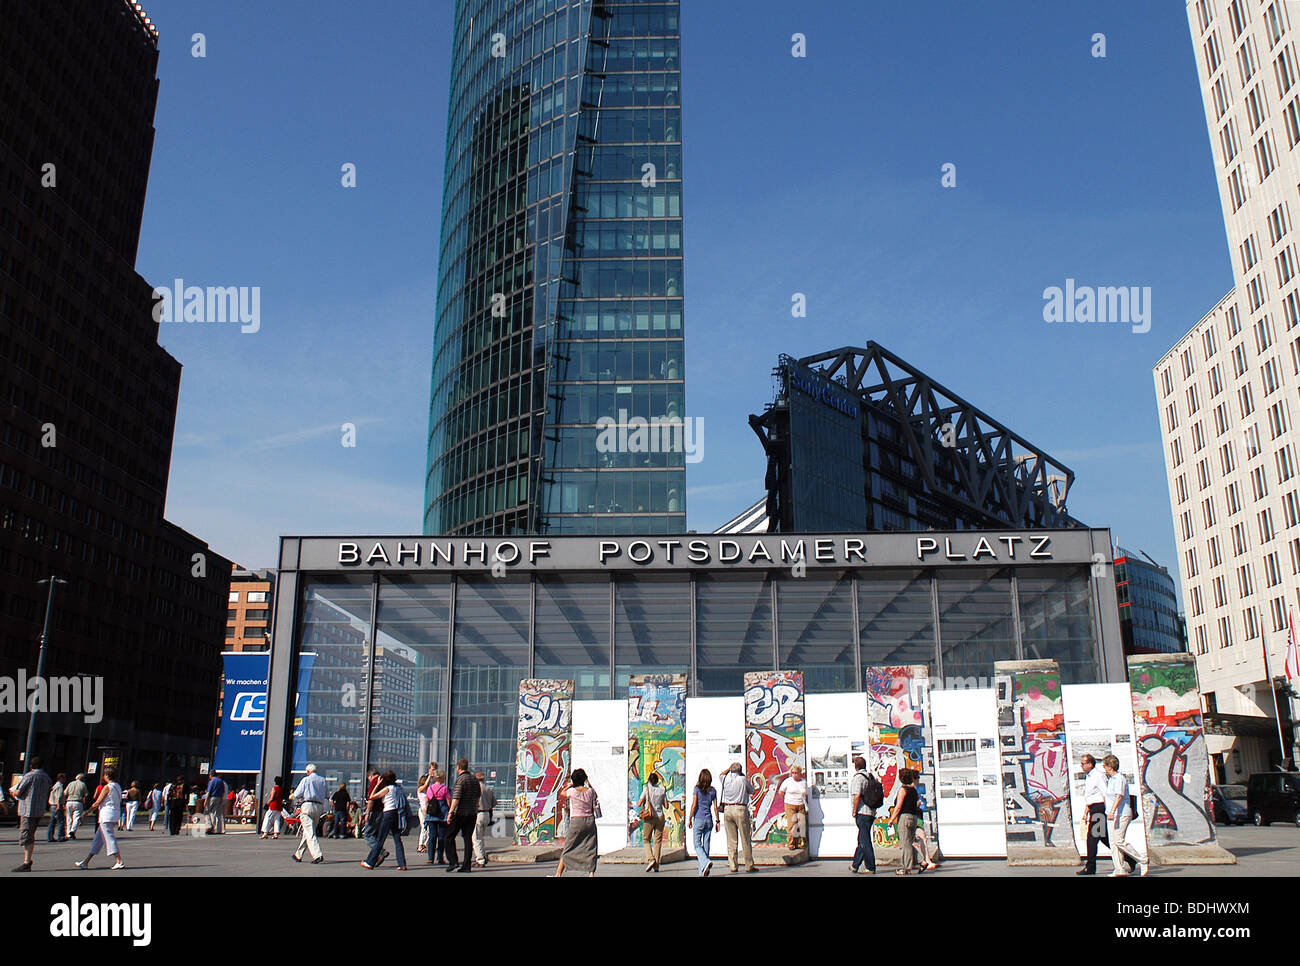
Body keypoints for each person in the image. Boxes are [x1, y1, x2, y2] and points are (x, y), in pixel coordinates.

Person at [1104, 755, 1147, 877]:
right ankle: (1119, 868)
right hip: (1111, 814)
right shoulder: (1111, 779)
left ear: (1110, 766)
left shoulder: (1119, 779)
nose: (1104, 769)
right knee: (1113, 842)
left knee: (1119, 840)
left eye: (1105, 766)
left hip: (1122, 813)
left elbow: (1119, 796)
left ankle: (1142, 859)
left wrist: (1112, 811)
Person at [74, 767, 125, 870]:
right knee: (98, 840)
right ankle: (86, 862)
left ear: (106, 776)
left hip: (106, 815)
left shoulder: (107, 787)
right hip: (114, 814)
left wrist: (86, 813)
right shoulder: (118, 786)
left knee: (109, 838)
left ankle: (119, 860)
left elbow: (97, 802)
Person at [552, 768, 599, 877]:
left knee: (568, 846)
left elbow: (562, 793)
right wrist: (589, 783)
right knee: (591, 847)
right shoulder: (590, 791)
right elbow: (595, 794)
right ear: (584, 779)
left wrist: (570, 785)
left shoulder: (572, 791)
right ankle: (591, 873)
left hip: (576, 821)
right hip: (590, 821)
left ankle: (558, 873)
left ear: (574, 780)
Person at [361, 770, 408, 870]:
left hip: (388, 813)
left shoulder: (387, 789)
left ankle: (370, 862)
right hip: (395, 813)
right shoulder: (397, 788)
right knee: (397, 839)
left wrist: (377, 785)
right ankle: (402, 863)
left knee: (380, 839)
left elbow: (372, 796)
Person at [12, 757, 52, 872]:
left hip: (27, 809)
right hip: (39, 809)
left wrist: (13, 792)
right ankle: (27, 860)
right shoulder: (46, 777)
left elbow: (19, 792)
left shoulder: (29, 776)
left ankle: (27, 862)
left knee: (26, 835)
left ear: (31, 766)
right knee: (31, 834)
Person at [718, 762, 757, 873]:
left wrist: (729, 769)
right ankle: (749, 864)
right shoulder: (742, 780)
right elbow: (752, 791)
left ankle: (733, 865)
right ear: (740, 770)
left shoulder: (724, 779)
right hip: (740, 809)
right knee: (745, 838)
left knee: (731, 840)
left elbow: (721, 774)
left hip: (727, 809)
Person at [444, 759, 480, 873]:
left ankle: (453, 861)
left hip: (460, 813)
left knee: (448, 837)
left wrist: (450, 813)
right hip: (472, 813)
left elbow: (456, 798)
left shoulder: (460, 780)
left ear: (458, 767)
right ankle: (466, 865)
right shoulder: (474, 779)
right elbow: (478, 796)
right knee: (467, 838)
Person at [291, 763, 329, 864]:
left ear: (308, 772)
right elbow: (327, 795)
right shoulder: (323, 780)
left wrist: (292, 796)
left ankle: (317, 855)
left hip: (307, 806)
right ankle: (298, 854)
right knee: (308, 832)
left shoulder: (306, 780)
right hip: (319, 807)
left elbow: (297, 794)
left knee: (310, 832)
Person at [1078, 754, 1109, 875]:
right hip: (1093, 808)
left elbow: (1105, 793)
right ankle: (1129, 859)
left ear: (1090, 764)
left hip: (1099, 808)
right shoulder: (1090, 776)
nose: (1081, 765)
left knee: (1092, 838)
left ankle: (1090, 866)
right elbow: (1090, 796)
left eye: (1083, 763)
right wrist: (1086, 811)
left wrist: (1108, 811)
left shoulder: (1098, 775)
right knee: (1103, 838)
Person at [888, 768, 922, 875]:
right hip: (913, 817)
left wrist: (891, 819)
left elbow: (898, 806)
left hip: (905, 817)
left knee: (905, 843)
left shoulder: (903, 790)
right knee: (910, 842)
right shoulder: (914, 790)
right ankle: (914, 863)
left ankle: (906, 867)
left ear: (901, 778)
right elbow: (916, 804)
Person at [848, 756, 879, 874]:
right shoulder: (871, 777)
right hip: (870, 812)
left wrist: (854, 810)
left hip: (862, 812)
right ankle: (855, 865)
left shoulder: (858, 778)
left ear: (856, 766)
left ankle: (870, 866)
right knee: (862, 838)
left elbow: (857, 796)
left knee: (865, 840)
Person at [688, 769, 720, 877]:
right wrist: (718, 821)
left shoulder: (697, 789)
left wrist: (689, 818)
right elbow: (715, 807)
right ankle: (703, 872)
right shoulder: (713, 791)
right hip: (709, 819)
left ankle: (705, 862)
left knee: (697, 844)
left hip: (699, 819)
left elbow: (694, 805)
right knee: (706, 844)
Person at [636, 771, 668, 872]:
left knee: (646, 839)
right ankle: (656, 865)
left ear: (649, 780)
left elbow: (639, 803)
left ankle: (651, 859)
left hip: (649, 817)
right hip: (660, 817)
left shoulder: (646, 789)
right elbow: (666, 806)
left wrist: (645, 803)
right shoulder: (662, 790)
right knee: (657, 841)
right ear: (657, 780)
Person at [777, 764, 810, 850]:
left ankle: (799, 842)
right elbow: (781, 792)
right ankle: (791, 843)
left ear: (800, 773)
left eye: (796, 773)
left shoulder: (803, 782)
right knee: (792, 824)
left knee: (801, 824)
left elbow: (806, 793)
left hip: (800, 804)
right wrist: (786, 799)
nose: (794, 774)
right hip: (790, 804)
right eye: (793, 773)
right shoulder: (788, 781)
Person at [424, 769, 450, 865]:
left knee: (432, 836)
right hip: (442, 814)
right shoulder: (445, 788)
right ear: (441, 778)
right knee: (441, 837)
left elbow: (428, 801)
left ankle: (430, 858)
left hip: (432, 814)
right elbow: (448, 801)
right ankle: (440, 857)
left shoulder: (430, 788)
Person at [473, 769, 496, 867]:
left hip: (478, 814)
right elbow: (494, 802)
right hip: (487, 814)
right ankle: (482, 855)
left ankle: (480, 859)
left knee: (476, 838)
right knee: (481, 837)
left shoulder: (475, 789)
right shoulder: (488, 789)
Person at [361, 766, 382, 854]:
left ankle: (380, 852)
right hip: (383, 810)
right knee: (376, 834)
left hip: (375, 811)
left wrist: (367, 813)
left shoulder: (374, 782)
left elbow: (370, 800)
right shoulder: (383, 781)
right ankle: (375, 856)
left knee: (368, 834)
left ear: (370, 776)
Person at [64, 773, 88, 840]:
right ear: (82, 778)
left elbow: (65, 793)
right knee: (76, 817)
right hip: (78, 802)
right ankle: (73, 830)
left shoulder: (70, 783)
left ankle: (68, 833)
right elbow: (86, 795)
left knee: (68, 818)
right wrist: (84, 803)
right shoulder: (83, 784)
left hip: (69, 801)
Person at [46, 772, 66, 843]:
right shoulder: (59, 786)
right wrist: (59, 805)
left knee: (52, 821)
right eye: (64, 778)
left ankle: (50, 836)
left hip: (52, 805)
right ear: (61, 778)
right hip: (57, 805)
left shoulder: (54, 785)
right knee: (61, 821)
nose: (65, 780)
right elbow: (58, 796)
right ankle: (61, 836)